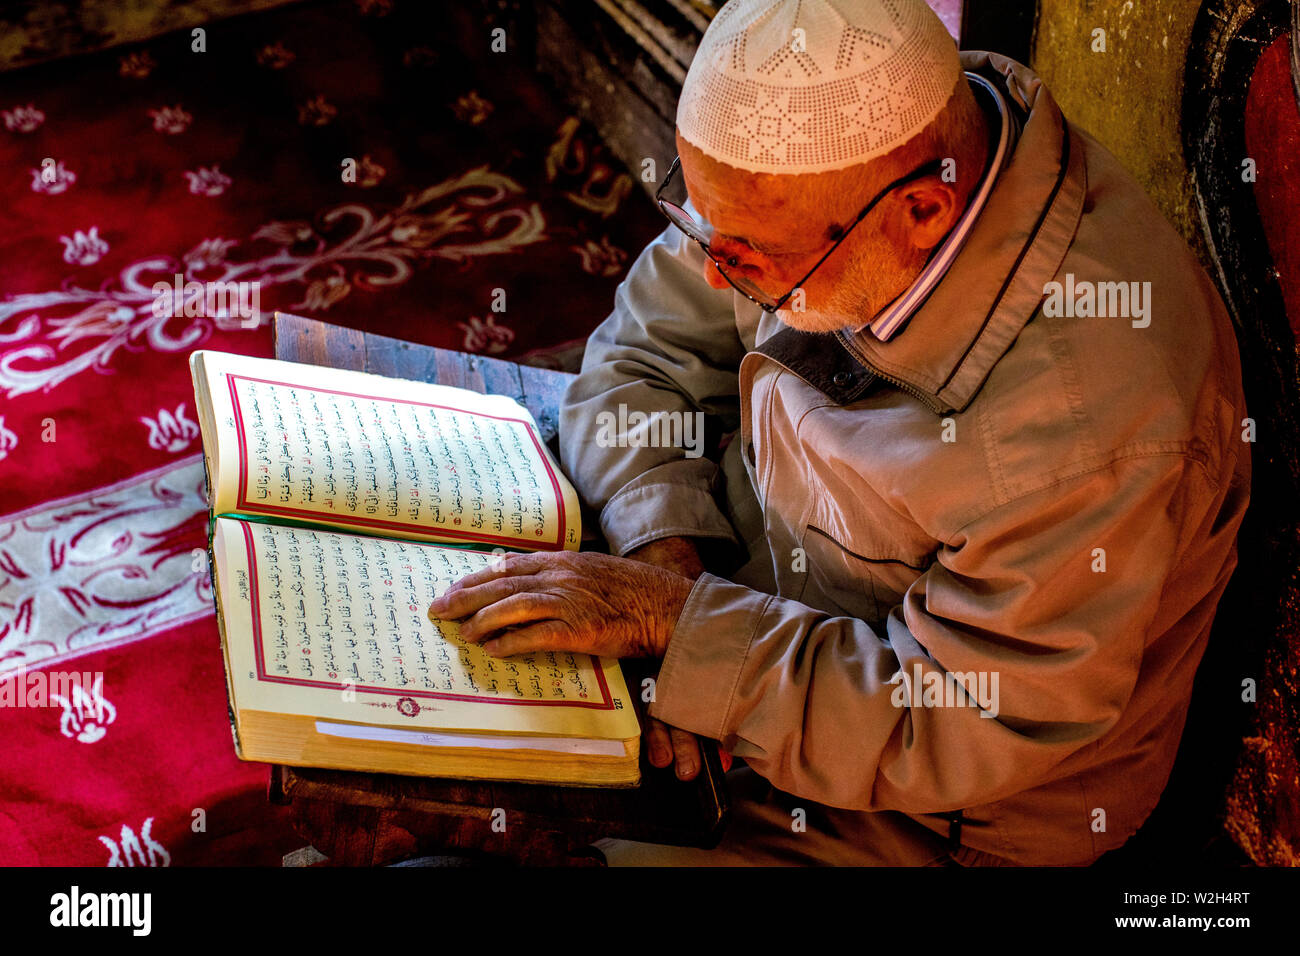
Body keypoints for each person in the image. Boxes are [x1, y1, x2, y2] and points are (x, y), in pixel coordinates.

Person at [427, 0, 1250, 865]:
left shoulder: (1086, 430)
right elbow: (648, 347)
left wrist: (685, 636)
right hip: (721, 597)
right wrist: (660, 548)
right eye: (704, 223)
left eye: (746, 256)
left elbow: (947, 728)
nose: (716, 271)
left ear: (925, 214)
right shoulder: (828, 164)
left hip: (923, 812)